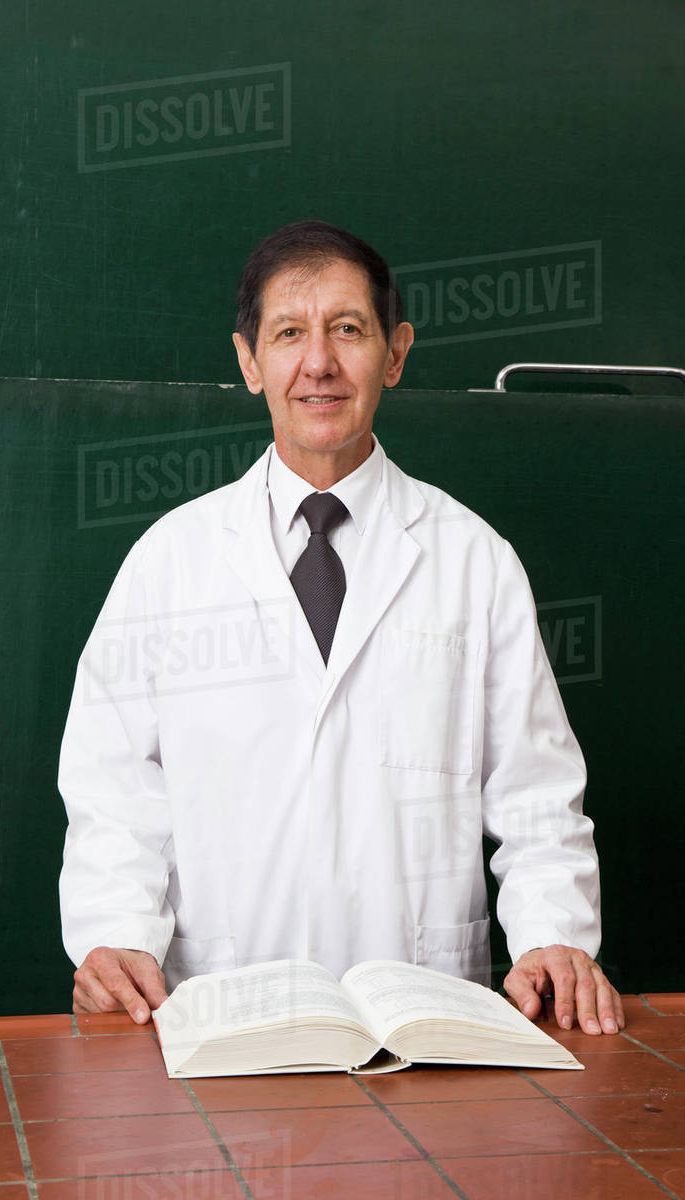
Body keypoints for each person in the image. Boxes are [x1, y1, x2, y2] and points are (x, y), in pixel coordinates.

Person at [58, 220, 624, 1036]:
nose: (317, 362)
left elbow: (537, 796)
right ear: (249, 362)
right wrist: (114, 933)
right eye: (288, 333)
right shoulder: (170, 562)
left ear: (394, 354)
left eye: (347, 330)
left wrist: (554, 939)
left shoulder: (474, 560)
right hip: (215, 1014)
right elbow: (112, 787)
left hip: (425, 1025)